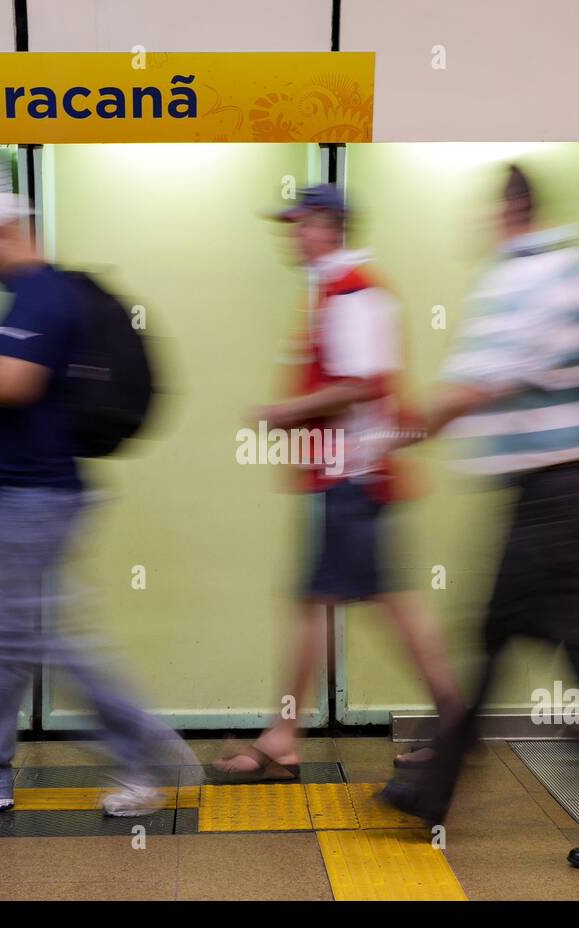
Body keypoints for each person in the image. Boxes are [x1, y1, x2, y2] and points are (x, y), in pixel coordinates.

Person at [380, 164, 579, 871]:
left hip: (554, 493)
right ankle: (433, 787)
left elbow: (476, 382)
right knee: (494, 638)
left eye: (489, 214)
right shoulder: (577, 271)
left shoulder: (525, 276)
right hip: (566, 489)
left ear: (510, 212)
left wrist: (397, 434)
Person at [0, 194, 193, 815]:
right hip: (23, 492)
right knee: (8, 640)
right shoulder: (30, 295)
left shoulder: (38, 294)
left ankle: (143, 754)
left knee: (42, 638)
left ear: (3, 230)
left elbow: (14, 383)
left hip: (30, 494)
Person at [210, 184, 463, 782]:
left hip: (353, 475)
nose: (291, 234)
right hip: (351, 477)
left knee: (326, 606)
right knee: (359, 605)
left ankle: (285, 738)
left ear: (329, 225)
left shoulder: (352, 293)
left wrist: (286, 412)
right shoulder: (338, 289)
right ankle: (447, 724)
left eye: (300, 223)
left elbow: (357, 386)